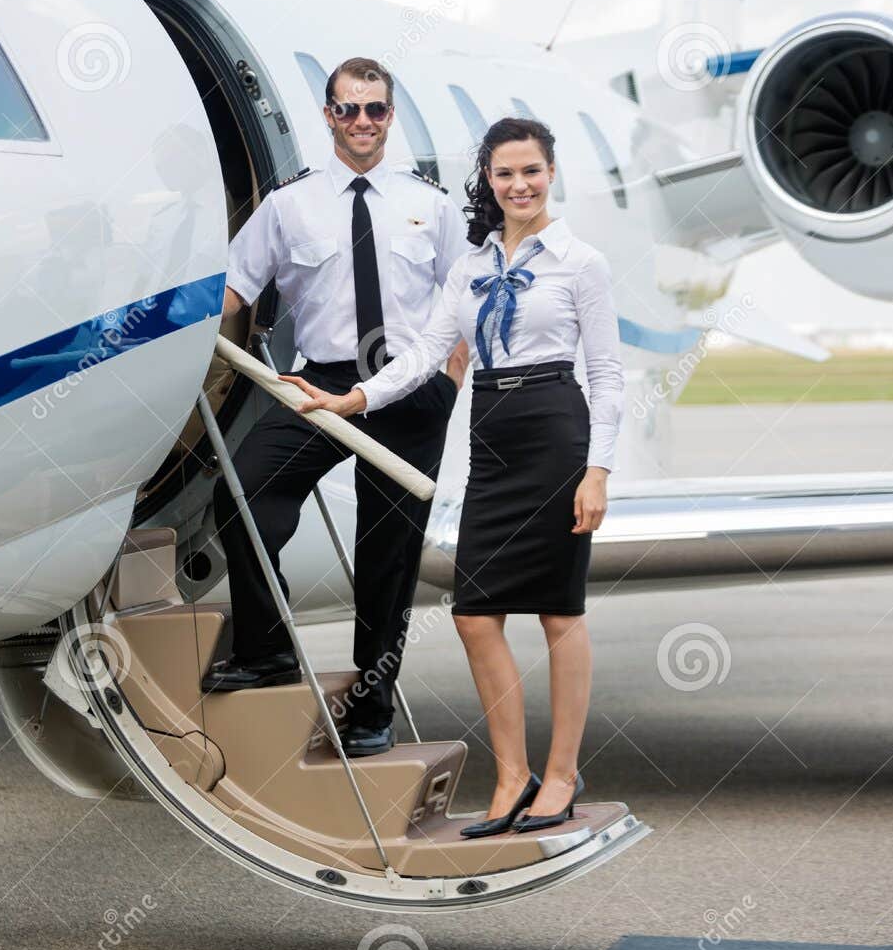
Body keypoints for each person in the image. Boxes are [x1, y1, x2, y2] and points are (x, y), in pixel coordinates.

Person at [289, 116, 623, 830]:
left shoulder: (580, 262)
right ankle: (512, 776)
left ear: (550, 173)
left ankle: (561, 775)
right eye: (505, 174)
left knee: (560, 613)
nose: (519, 184)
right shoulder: (470, 267)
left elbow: (607, 374)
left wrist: (597, 470)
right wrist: (353, 398)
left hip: (556, 427)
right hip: (493, 435)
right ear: (490, 182)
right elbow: (420, 354)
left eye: (531, 170)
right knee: (474, 614)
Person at [207, 56, 470, 758]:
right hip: (319, 385)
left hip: (409, 390)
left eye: (375, 109)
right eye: (348, 109)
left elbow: (462, 304)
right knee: (242, 495)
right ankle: (266, 648)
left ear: (390, 117)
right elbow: (235, 288)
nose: (362, 122)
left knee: (387, 556)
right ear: (328, 116)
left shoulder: (430, 205)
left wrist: (447, 386)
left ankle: (371, 707)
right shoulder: (289, 205)